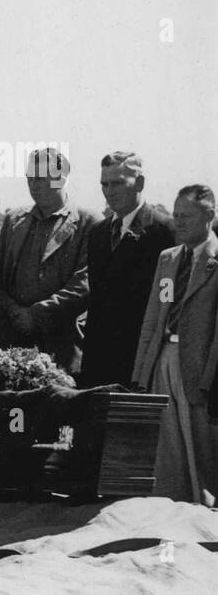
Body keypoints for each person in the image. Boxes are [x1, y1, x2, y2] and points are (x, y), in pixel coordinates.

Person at [131, 185, 218, 505]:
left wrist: (209, 381)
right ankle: (171, 516)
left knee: (202, 449)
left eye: (187, 216)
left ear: (210, 216)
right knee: (168, 449)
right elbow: (153, 319)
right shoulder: (167, 259)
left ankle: (205, 519)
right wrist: (143, 372)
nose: (179, 223)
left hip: (199, 367)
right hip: (163, 360)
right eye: (176, 215)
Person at [0, 148, 95, 373]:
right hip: (11, 344)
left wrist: (36, 315)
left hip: (62, 345)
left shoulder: (88, 222)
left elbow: (84, 284)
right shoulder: (13, 221)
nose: (34, 185)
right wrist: (15, 313)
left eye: (42, 178)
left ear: (62, 178)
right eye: (30, 178)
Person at [81, 152, 175, 388]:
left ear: (140, 183)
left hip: (141, 364)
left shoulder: (166, 232)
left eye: (118, 182)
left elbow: (169, 306)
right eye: (104, 184)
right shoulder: (98, 234)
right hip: (99, 364)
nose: (110, 191)